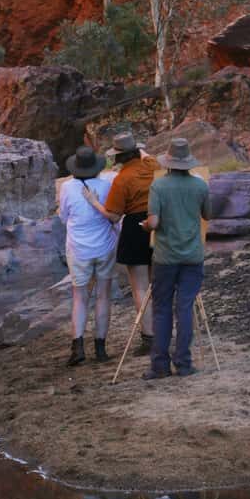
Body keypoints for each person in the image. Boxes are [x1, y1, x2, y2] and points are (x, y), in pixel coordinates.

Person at [140, 137, 211, 380]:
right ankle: (183, 363)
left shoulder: (159, 186)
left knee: (162, 309)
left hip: (165, 257)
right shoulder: (200, 186)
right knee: (185, 308)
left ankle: (160, 365)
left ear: (168, 162)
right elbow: (208, 214)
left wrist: (145, 226)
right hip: (192, 255)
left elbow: (154, 223)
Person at [85, 132, 158, 356]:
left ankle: (149, 337)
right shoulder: (152, 166)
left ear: (117, 157)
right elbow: (146, 155)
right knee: (156, 284)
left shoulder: (122, 179)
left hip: (135, 228)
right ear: (137, 151)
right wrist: (136, 147)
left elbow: (114, 216)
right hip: (159, 225)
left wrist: (94, 202)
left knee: (140, 286)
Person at [59, 146, 118, 366]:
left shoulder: (66, 187)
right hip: (104, 246)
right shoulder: (106, 185)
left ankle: (77, 347)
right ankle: (100, 348)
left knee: (80, 297)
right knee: (103, 295)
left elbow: (63, 217)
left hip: (78, 249)